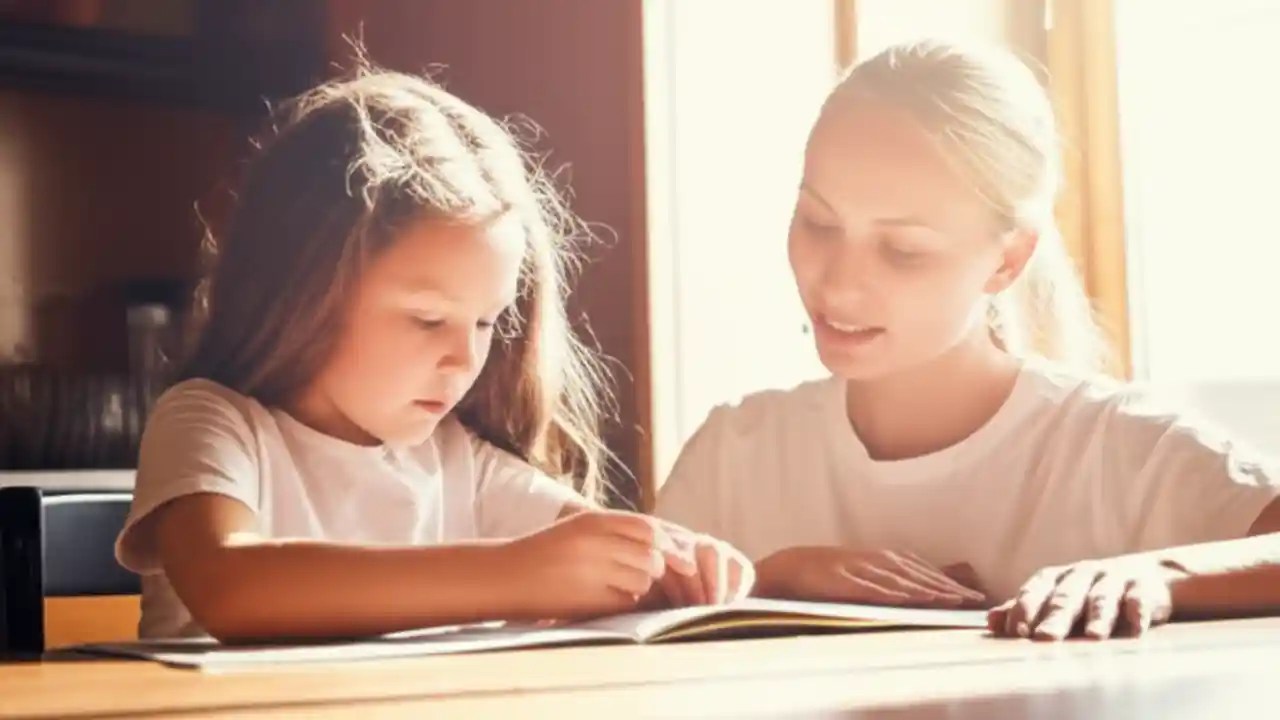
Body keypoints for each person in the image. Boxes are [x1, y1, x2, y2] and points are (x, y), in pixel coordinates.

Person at [656, 39, 1280, 641]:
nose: (839, 285)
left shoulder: (1124, 450)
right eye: (818, 223)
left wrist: (1158, 573)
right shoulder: (732, 456)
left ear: (1008, 261)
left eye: (903, 251)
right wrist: (769, 581)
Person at [116, 66, 751, 642]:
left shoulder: (459, 464)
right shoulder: (210, 423)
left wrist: (673, 565)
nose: (463, 359)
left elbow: (596, 548)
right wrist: (513, 574)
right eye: (426, 319)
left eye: (485, 322)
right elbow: (234, 589)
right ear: (301, 288)